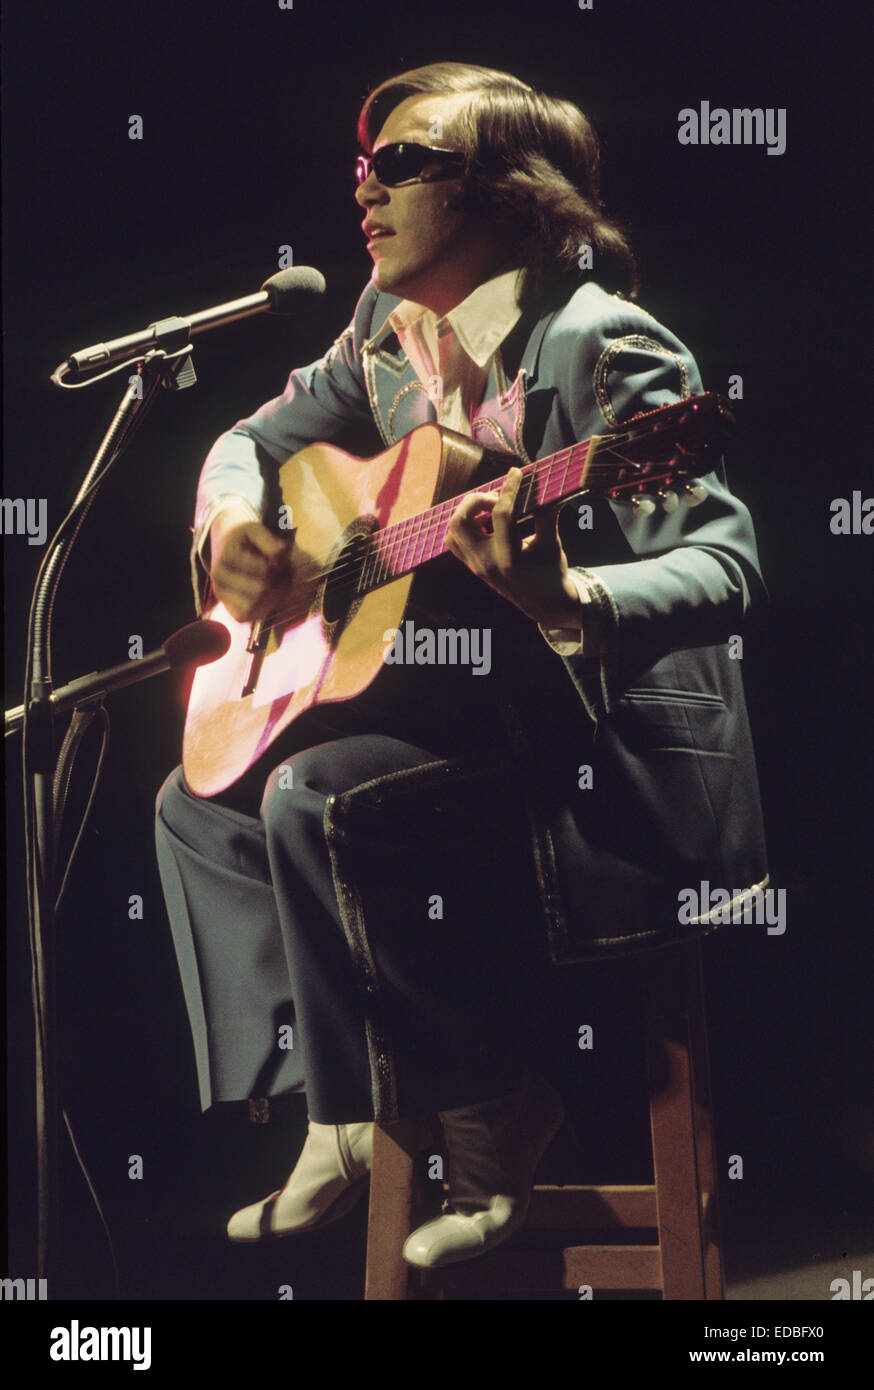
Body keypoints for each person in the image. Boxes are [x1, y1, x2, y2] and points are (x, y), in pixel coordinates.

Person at [155, 61, 768, 1271]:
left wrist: (564, 592)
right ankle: (343, 1091)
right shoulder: (380, 343)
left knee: (315, 798)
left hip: (607, 756)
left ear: (511, 195)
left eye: (402, 162)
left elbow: (728, 560)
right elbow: (245, 439)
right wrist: (235, 527)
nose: (364, 189)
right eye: (359, 165)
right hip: (474, 727)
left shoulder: (600, 342)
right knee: (197, 801)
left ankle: (452, 1115)